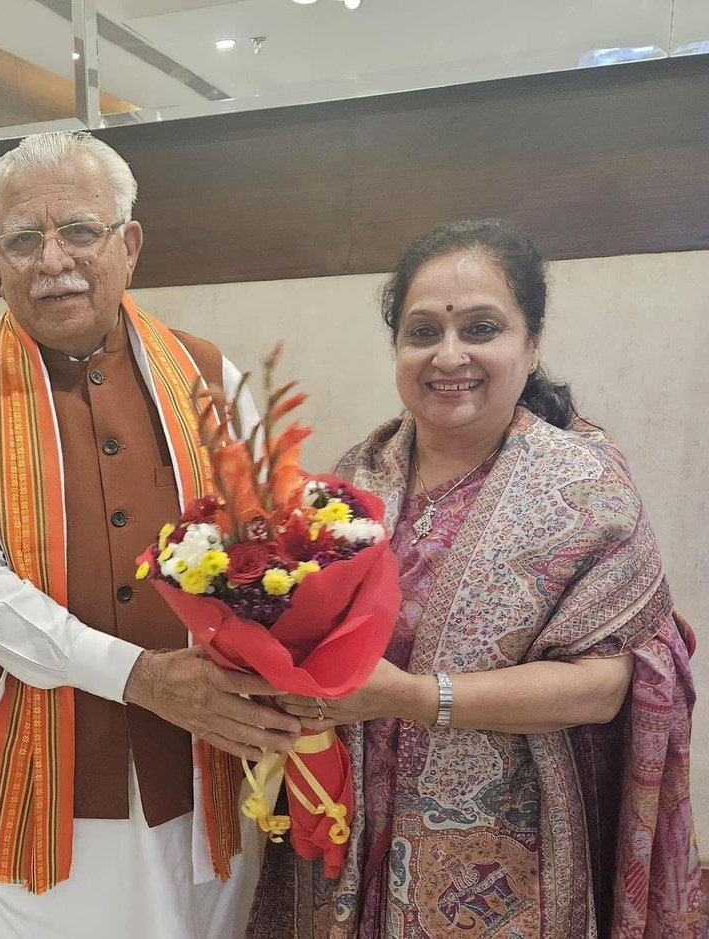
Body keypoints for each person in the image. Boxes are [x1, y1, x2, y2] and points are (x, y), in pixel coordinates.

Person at [247, 219, 708, 938]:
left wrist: (412, 697)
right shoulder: (356, 475)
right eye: (422, 332)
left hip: (502, 865)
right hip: (347, 831)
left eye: (482, 328)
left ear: (533, 341)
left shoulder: (584, 486)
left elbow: (608, 685)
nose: (448, 355)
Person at [0, 130, 302, 939]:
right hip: (37, 778)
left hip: (201, 764)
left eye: (80, 230)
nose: (53, 260)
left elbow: (269, 549)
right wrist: (140, 675)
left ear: (130, 245)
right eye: (24, 240)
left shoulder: (210, 377)